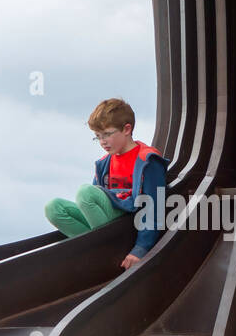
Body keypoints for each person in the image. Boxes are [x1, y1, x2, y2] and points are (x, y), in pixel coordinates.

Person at [44, 98, 168, 270]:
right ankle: (96, 250)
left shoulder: (147, 160)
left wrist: (141, 248)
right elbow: (91, 206)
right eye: (98, 137)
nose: (103, 141)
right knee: (54, 207)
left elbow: (154, 207)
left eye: (107, 134)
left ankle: (107, 248)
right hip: (106, 224)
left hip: (128, 225)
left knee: (85, 192)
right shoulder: (104, 163)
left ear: (127, 129)